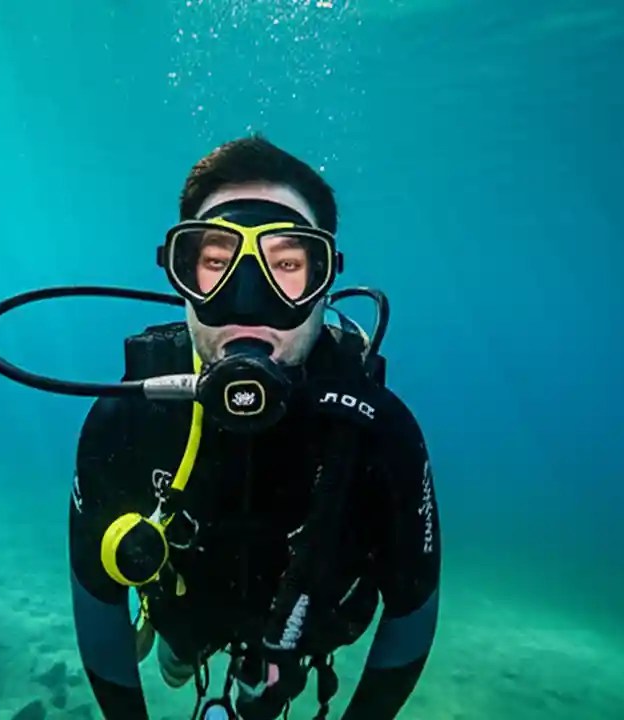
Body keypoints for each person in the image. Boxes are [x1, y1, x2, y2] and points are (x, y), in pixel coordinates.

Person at [67, 135, 441, 720]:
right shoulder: (125, 418)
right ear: (180, 274)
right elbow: (95, 597)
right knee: (177, 655)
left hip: (303, 635)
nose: (247, 301)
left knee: (266, 689)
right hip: (186, 611)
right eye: (215, 262)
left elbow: (412, 613)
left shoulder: (380, 433)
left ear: (325, 279)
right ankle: (179, 654)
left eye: (287, 265)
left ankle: (255, 678)